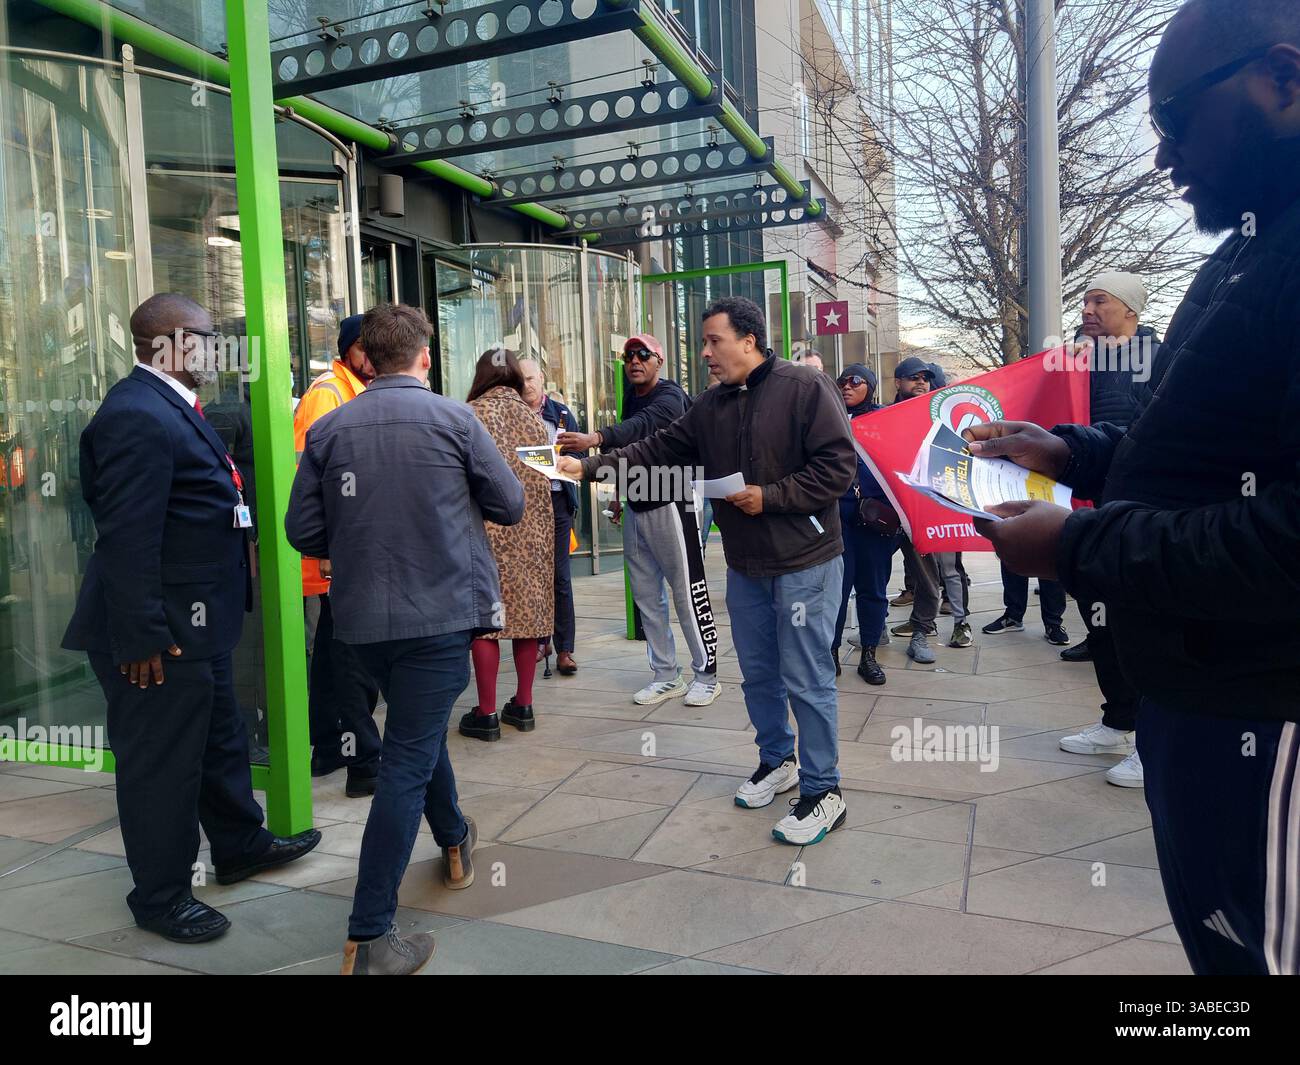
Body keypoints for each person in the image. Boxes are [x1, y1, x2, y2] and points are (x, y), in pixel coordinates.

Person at [964, 0, 1300, 976]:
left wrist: (1071, 546)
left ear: (1282, 79)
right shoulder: (1251, 246)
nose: (1163, 158)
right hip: (1200, 697)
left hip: (1265, 714)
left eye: (1175, 121)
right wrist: (1072, 453)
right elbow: (1202, 453)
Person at [63, 293, 320, 945]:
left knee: (218, 742)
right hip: (159, 635)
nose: (217, 348)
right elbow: (127, 535)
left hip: (196, 626)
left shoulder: (170, 407)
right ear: (173, 342)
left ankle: (239, 843)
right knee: (161, 766)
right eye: (208, 336)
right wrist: (141, 633)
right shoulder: (135, 416)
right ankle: (161, 894)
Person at [559, 297, 856, 845]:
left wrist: (769, 497)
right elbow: (656, 448)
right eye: (703, 342)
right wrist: (592, 464)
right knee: (760, 674)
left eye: (713, 341)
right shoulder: (711, 405)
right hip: (746, 565)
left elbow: (838, 468)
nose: (705, 353)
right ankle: (777, 762)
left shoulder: (805, 388)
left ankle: (824, 790)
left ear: (749, 339)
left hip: (804, 563)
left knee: (807, 677)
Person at [287, 303, 525, 975]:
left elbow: (301, 527)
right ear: (425, 356)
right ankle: (368, 937)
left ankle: (454, 838)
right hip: (439, 619)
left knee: (414, 743)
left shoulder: (333, 425)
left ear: (368, 355)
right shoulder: (455, 420)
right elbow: (509, 503)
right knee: (404, 765)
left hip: (362, 623)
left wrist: (361, 537)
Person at [558, 334, 720, 708]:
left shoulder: (670, 397)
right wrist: (618, 495)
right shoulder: (632, 395)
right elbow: (628, 451)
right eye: (629, 355)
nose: (634, 361)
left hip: (673, 501)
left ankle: (707, 675)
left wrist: (593, 439)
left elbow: (639, 429)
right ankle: (666, 675)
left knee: (686, 592)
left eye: (643, 354)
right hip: (639, 502)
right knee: (647, 597)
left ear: (659, 361)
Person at [1056, 271, 1160, 787]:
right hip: (1091, 507)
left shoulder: (1160, 361)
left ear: (1132, 311)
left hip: (1141, 513)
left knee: (1138, 624)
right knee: (1098, 618)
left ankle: (1152, 743)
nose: (1088, 310)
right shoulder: (1079, 362)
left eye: (1100, 301)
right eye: (1085, 301)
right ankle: (1118, 719)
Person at [293, 314, 382, 795]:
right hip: (336, 554)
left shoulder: (352, 390)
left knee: (332, 655)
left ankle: (329, 747)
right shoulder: (330, 393)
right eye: (365, 347)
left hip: (341, 551)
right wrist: (327, 549)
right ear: (349, 349)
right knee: (350, 657)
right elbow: (314, 479)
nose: (372, 355)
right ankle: (363, 758)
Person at [461, 348, 554, 740]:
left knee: (486, 622)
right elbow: (546, 480)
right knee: (527, 617)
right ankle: (524, 704)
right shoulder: (533, 419)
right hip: (532, 532)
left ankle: (485, 714)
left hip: (485, 529)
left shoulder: (469, 414)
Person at [888, 358, 972, 659]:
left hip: (927, 508)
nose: (921, 382)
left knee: (934, 573)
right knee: (871, 575)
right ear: (898, 382)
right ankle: (872, 634)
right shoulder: (883, 416)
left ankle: (924, 631)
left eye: (925, 377)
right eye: (913, 377)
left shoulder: (941, 417)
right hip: (886, 511)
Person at [831, 364, 893, 685]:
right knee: (835, 591)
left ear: (870, 385)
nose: (847, 386)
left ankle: (869, 653)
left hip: (875, 522)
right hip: (837, 520)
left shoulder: (887, 420)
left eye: (855, 381)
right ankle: (831, 652)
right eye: (842, 381)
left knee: (873, 590)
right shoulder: (829, 417)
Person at [520, 357, 581, 676]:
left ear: (542, 378)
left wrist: (566, 461)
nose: (527, 384)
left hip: (557, 500)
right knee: (532, 576)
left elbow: (581, 455)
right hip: (525, 503)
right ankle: (539, 641)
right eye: (521, 379)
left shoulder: (561, 414)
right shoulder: (513, 414)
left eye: (531, 378)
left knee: (559, 576)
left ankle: (565, 648)